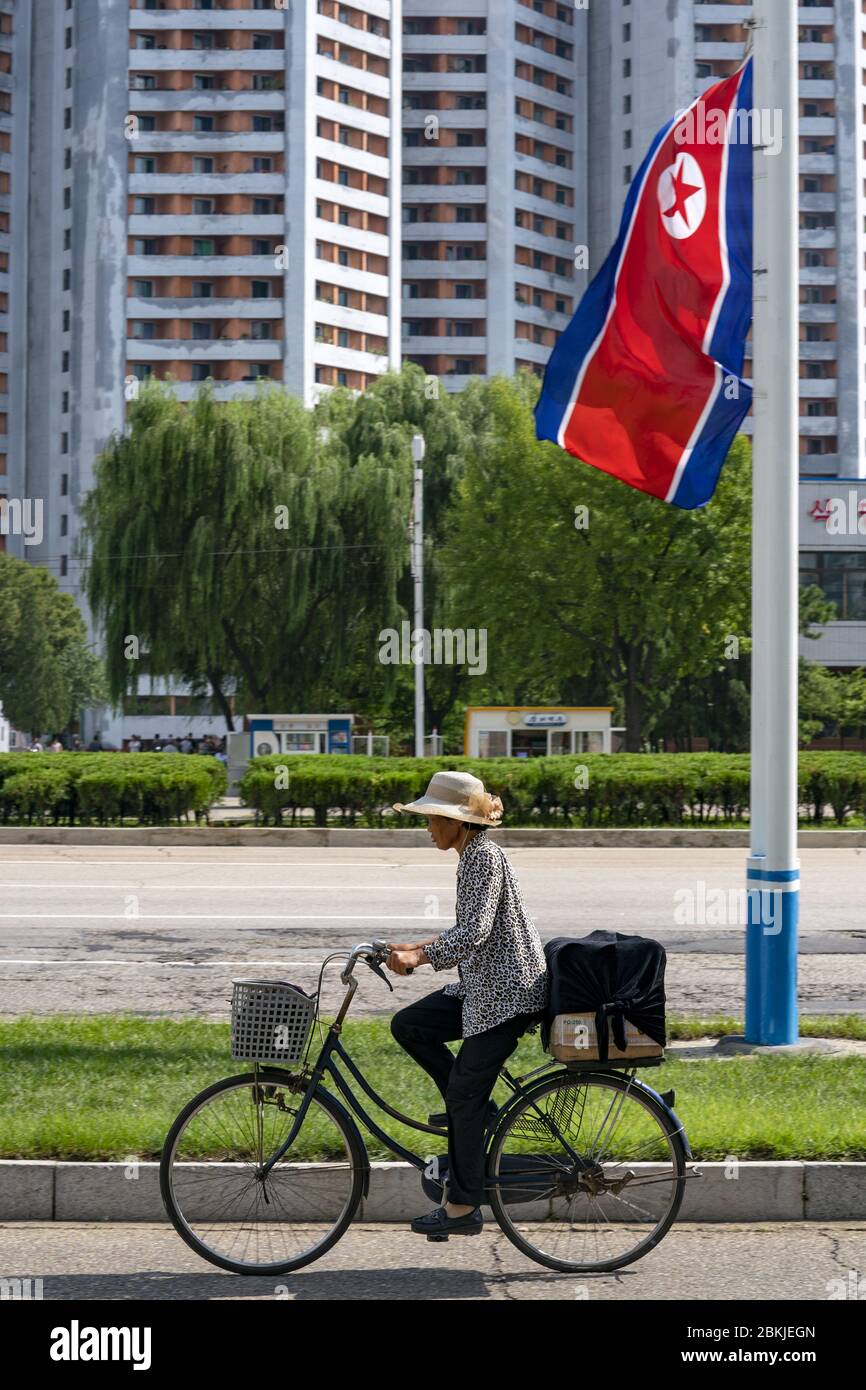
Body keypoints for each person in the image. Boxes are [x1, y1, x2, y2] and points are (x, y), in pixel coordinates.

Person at [387, 770, 549, 1239]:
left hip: (507, 994)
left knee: (464, 1095)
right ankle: (472, 1107)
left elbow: (474, 933)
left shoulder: (481, 859)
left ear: (459, 822)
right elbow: (472, 933)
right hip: (483, 987)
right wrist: (414, 944)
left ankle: (462, 1207)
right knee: (411, 1026)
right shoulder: (473, 856)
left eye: (435, 818)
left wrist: (420, 956)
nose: (429, 828)